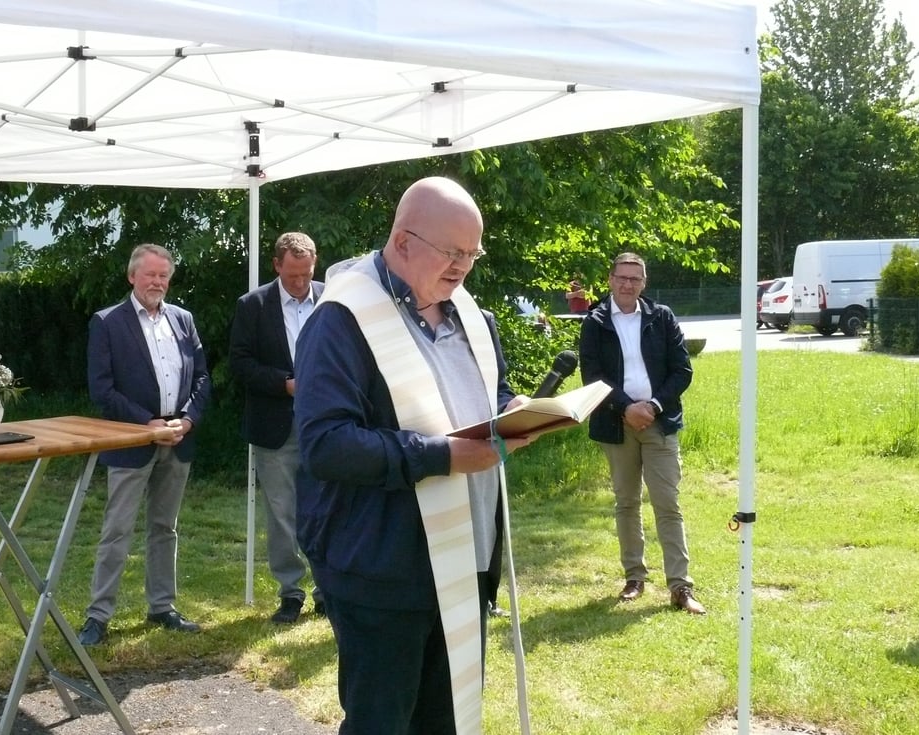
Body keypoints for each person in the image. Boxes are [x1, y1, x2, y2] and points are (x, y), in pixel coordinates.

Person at [294, 176, 532, 734]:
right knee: (382, 722)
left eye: (472, 254)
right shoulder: (340, 320)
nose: (463, 268)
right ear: (403, 242)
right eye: (452, 253)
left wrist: (512, 410)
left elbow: (481, 395)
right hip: (381, 567)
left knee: (444, 720)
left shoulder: (469, 314)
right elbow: (326, 445)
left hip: (465, 558)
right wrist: (442, 457)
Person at [78, 243, 212, 646]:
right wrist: (146, 424)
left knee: (164, 528)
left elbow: (203, 377)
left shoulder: (183, 319)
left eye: (163, 276)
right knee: (117, 530)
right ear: (131, 276)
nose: (157, 282)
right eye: (150, 274)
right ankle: (98, 617)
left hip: (178, 436)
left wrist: (187, 419)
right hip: (132, 439)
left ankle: (162, 607)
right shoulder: (107, 322)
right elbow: (102, 389)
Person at [578, 252, 705, 615]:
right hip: (616, 424)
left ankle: (680, 587)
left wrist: (652, 407)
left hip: (658, 422)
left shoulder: (661, 317)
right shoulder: (595, 321)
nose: (628, 284)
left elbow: (682, 371)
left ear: (644, 283)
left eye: (635, 278)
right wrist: (626, 408)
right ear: (610, 279)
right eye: (622, 277)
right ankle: (634, 577)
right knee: (627, 503)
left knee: (668, 504)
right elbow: (593, 377)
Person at [228, 231, 325, 624]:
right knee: (282, 513)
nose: (300, 283)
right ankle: (291, 592)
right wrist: (283, 383)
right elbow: (240, 363)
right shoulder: (253, 305)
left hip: (326, 422)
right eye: (293, 276)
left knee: (326, 509)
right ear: (277, 266)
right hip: (276, 424)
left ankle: (327, 590)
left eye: (306, 274)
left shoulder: (331, 298)